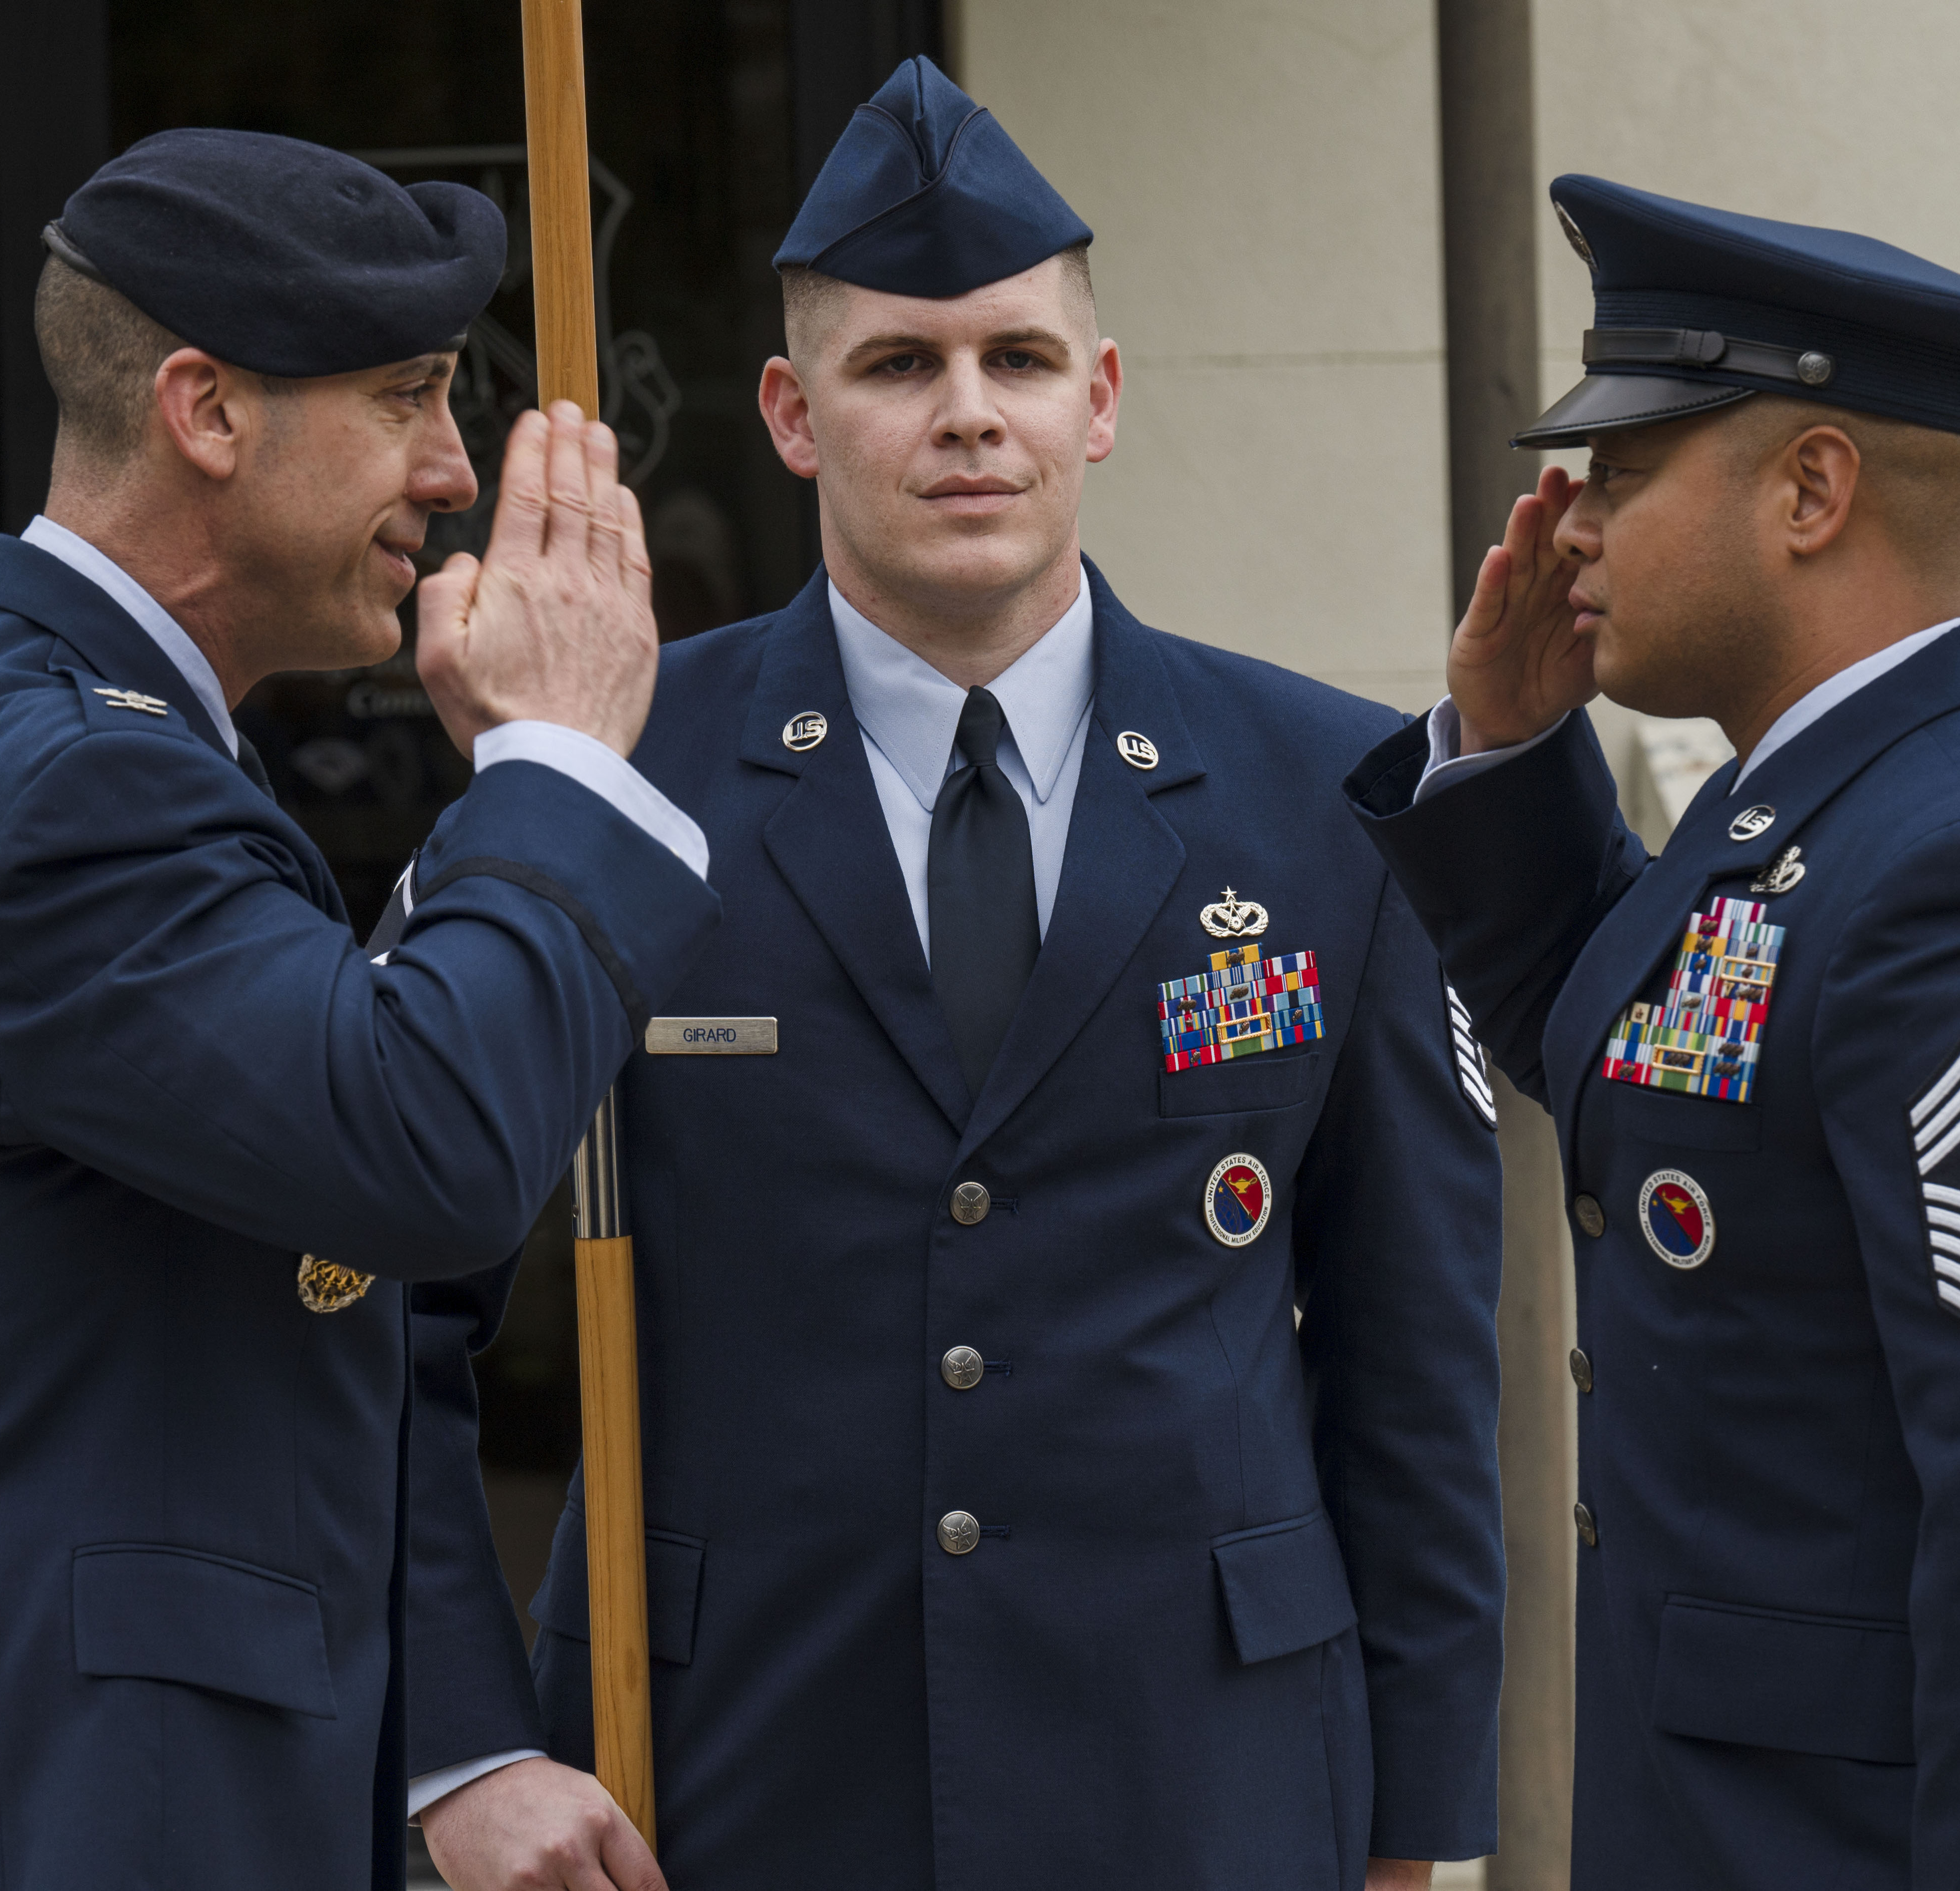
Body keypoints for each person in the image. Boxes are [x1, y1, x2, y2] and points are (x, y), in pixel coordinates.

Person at [375, 58, 1506, 1889]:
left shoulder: (1332, 797)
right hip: (730, 1787)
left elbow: (1420, 1365)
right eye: (899, 366)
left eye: (1019, 361)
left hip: (1206, 1787)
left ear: (1104, 398)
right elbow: (387, 1301)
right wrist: (464, 1741)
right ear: (791, 413)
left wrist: (1417, 1828)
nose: (968, 416)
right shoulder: (610, 771)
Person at [0, 130, 717, 1891]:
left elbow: (327, 1132)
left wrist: (501, 809)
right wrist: (561, 762)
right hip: (56, 1814)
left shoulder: (49, 736)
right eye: (406, 394)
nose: (453, 469)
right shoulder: (64, 788)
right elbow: (427, 1150)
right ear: (206, 412)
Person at [1346, 175, 1960, 1888]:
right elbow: (1652, 1076)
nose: (1565, 522)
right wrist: (1503, 767)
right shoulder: (1805, 804)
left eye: (1623, 471)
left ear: (1812, 489)